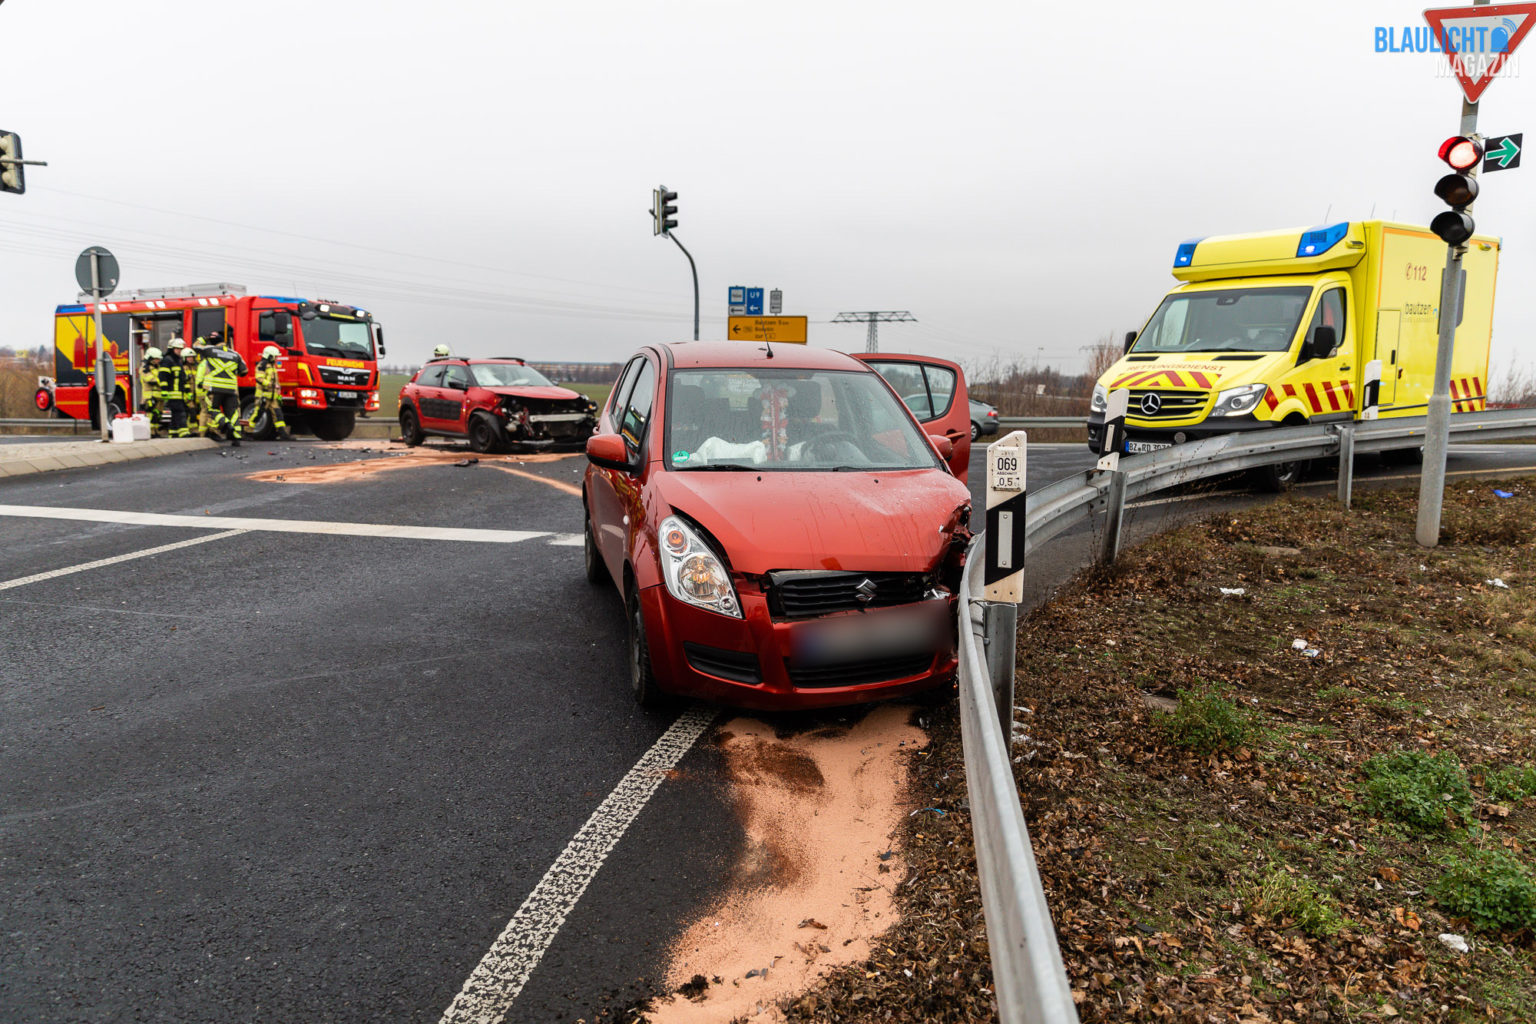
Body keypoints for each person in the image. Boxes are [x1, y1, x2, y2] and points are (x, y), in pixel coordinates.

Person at [197, 331, 248, 446]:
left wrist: (204, 339)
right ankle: (236, 438)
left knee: (213, 409)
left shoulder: (210, 350)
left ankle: (225, 424)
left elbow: (195, 346)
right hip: (231, 389)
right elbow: (244, 371)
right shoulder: (236, 354)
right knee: (233, 413)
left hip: (215, 388)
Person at [249, 345, 291, 440]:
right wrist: (271, 385)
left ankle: (282, 434)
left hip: (272, 396)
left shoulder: (272, 366)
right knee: (257, 414)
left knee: (278, 414)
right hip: (263, 395)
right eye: (275, 356)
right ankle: (248, 432)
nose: (276, 358)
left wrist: (278, 388)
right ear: (270, 356)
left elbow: (275, 380)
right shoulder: (262, 365)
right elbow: (259, 379)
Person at [160, 341, 190, 438]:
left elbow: (182, 378)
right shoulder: (167, 360)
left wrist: (187, 392)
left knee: (176, 412)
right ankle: (183, 432)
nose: (179, 351)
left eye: (181, 349)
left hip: (179, 392)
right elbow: (163, 376)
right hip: (172, 392)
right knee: (180, 411)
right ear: (172, 349)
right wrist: (164, 390)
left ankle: (173, 433)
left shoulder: (178, 361)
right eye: (178, 349)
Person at [139, 347, 164, 437]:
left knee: (158, 414)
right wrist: (162, 382)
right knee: (151, 414)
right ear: (151, 358)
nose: (158, 360)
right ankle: (150, 432)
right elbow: (151, 380)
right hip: (150, 396)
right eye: (156, 359)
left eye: (158, 359)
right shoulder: (145, 369)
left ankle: (155, 431)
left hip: (159, 396)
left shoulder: (157, 368)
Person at [181, 345, 206, 436]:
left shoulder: (195, 367)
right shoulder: (183, 368)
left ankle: (194, 430)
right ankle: (191, 430)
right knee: (190, 411)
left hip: (196, 393)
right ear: (184, 358)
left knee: (195, 411)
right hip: (187, 393)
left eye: (192, 357)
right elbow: (184, 381)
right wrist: (188, 393)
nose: (191, 359)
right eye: (189, 357)